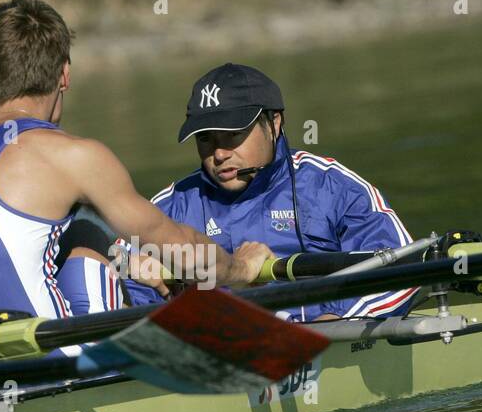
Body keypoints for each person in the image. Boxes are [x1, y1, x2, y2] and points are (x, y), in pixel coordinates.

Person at [0, 0, 271, 330]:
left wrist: (129, 262)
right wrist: (241, 267)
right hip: (47, 368)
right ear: (64, 73)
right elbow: (184, 254)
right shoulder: (73, 156)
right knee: (87, 235)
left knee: (100, 245)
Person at [123, 63, 418, 321]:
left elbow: (401, 268)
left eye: (233, 135)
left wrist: (337, 321)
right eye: (206, 139)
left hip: (332, 343)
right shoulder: (169, 208)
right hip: (219, 355)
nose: (220, 153)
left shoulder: (329, 186)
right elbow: (114, 293)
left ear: (274, 122)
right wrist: (152, 288)